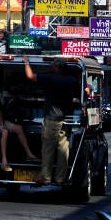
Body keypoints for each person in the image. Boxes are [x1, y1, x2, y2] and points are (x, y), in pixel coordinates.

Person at [23, 57, 80, 186]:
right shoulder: (72, 81)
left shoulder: (51, 78)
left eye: (53, 66)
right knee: (63, 149)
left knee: (48, 148)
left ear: (57, 67)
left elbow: (30, 76)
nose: (51, 68)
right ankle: (60, 178)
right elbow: (84, 92)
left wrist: (26, 62)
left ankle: (46, 176)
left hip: (52, 119)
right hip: (66, 120)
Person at [0, 90, 39, 171]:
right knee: (5, 132)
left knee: (17, 129)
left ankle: (28, 154)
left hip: (3, 121)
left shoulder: (10, 99)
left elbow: (0, 111)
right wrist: (1, 124)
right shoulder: (1, 96)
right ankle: (4, 160)